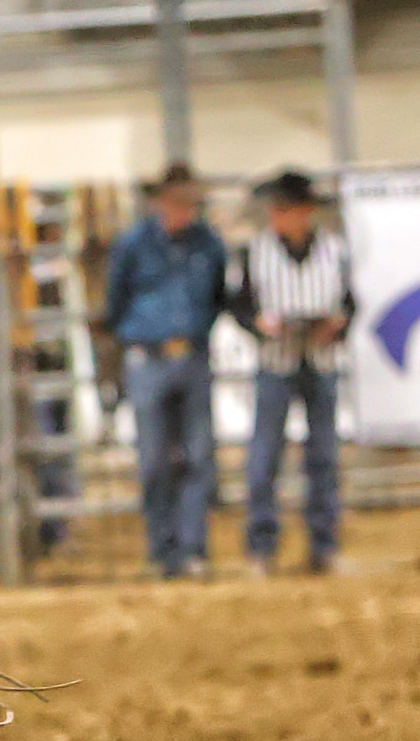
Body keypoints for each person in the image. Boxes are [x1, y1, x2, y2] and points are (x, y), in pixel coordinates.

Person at [103, 162, 228, 579]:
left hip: (190, 354)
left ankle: (191, 548)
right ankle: (163, 550)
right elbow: (115, 299)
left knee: (197, 457)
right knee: (155, 460)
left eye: (189, 203)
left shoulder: (209, 245)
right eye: (177, 202)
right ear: (160, 202)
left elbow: (215, 297)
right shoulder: (133, 245)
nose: (183, 210)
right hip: (150, 355)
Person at [233, 169, 353, 575]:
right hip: (277, 359)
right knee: (265, 455)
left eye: (284, 209)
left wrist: (336, 324)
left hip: (319, 359)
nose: (277, 217)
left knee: (322, 454)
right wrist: (260, 326)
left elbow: (351, 302)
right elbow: (241, 305)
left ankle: (324, 543)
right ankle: (263, 545)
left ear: (304, 213)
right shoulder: (257, 251)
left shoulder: (333, 251)